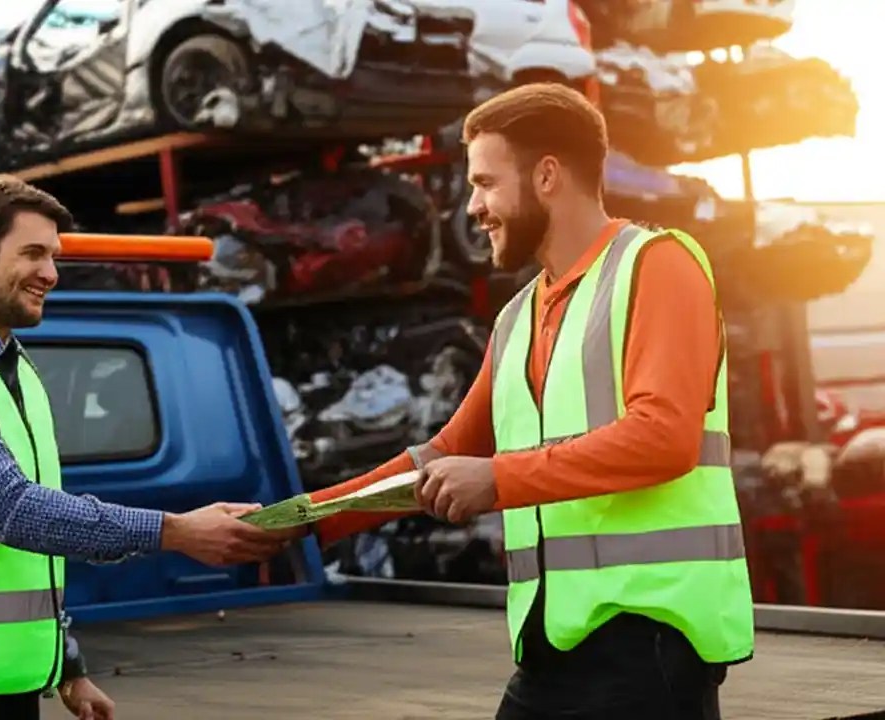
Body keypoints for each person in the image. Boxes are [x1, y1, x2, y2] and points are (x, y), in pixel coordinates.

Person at [300, 83, 755, 719]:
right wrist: (299, 523)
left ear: (546, 176)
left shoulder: (658, 264)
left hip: (650, 643)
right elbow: (446, 453)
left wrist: (497, 479)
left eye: (485, 183)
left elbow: (665, 437)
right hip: (554, 644)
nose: (473, 208)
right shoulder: (518, 315)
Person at [0, 174, 291, 720]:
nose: (51, 274)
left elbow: (27, 557)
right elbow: (10, 509)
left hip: (0, 687)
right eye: (32, 253)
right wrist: (176, 531)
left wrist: (68, 666)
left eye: (54, 256)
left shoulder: (16, 372)